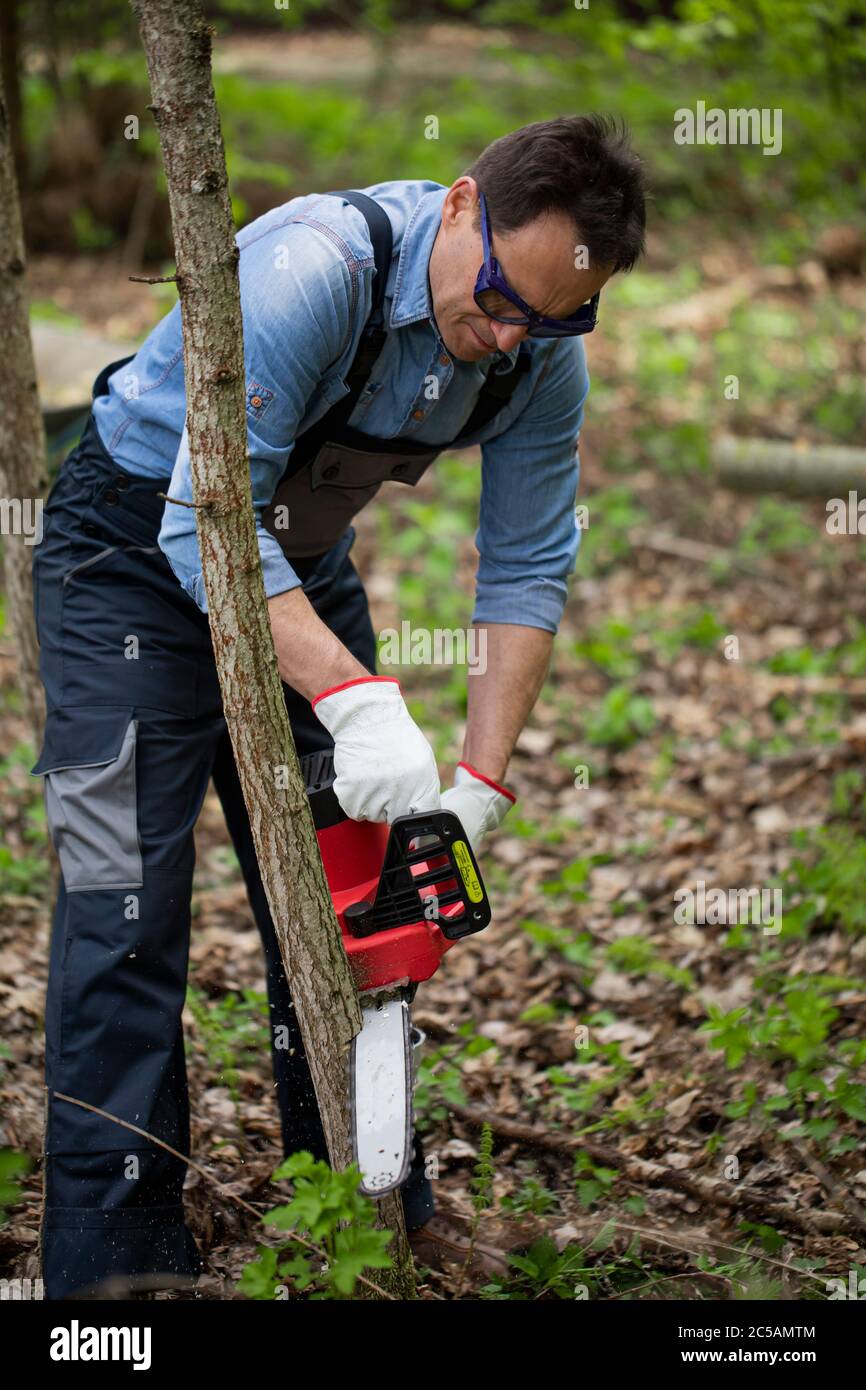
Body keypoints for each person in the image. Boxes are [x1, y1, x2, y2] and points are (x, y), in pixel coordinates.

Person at [31, 114, 646, 1298]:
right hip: (129, 543)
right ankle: (114, 1265)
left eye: (555, 318)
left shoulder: (539, 351)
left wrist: (479, 782)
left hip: (292, 560)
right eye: (498, 301)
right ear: (463, 206)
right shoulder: (317, 268)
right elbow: (195, 523)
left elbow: (522, 568)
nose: (512, 336)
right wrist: (358, 697)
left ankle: (368, 1199)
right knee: (122, 893)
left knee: (358, 892)